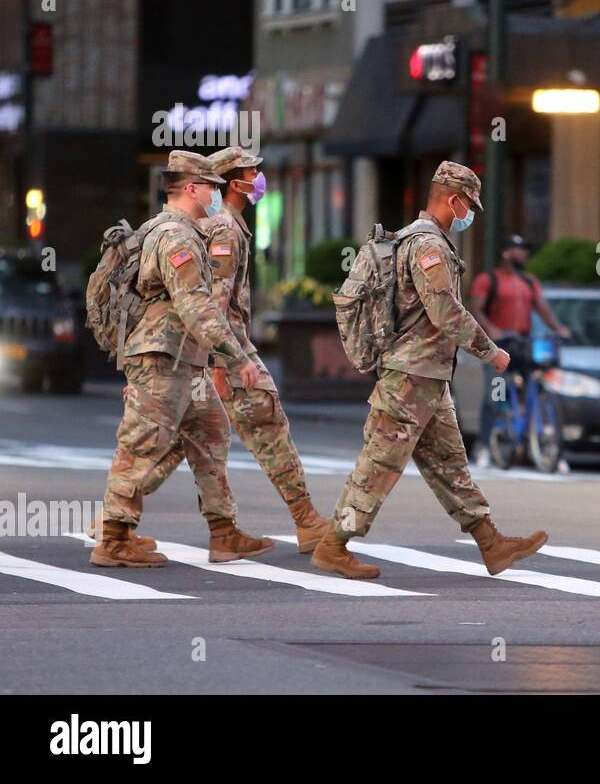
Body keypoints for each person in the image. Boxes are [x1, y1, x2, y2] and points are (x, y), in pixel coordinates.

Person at [311, 161, 549, 580]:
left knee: (449, 463)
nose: (470, 214)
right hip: (410, 376)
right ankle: (333, 545)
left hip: (427, 376)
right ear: (453, 199)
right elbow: (445, 311)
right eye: (468, 205)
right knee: (379, 463)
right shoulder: (428, 246)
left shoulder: (428, 241)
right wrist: (489, 350)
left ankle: (490, 542)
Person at [135, 147, 331, 554]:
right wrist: (222, 364)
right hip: (228, 351)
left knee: (182, 442)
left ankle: (115, 515)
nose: (260, 177)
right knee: (268, 424)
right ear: (234, 179)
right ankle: (307, 521)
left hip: (219, 351)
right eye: (253, 170)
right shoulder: (223, 228)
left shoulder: (230, 224)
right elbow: (215, 300)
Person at [90, 151, 272, 568]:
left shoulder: (176, 230)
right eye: (211, 186)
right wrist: (234, 355)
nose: (217, 194)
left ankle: (224, 532)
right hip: (162, 356)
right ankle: (114, 538)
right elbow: (196, 306)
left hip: (183, 358)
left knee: (210, 433)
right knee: (140, 445)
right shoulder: (176, 237)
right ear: (191, 188)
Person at [466, 234, 569, 464]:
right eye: (518, 249)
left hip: (522, 343)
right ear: (506, 253)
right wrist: (492, 329)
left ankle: (537, 443)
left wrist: (558, 328)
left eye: (525, 249)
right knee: (496, 394)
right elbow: (475, 308)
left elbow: (543, 309)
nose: (524, 254)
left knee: (535, 384)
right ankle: (484, 445)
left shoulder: (530, 281)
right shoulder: (488, 279)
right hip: (499, 346)